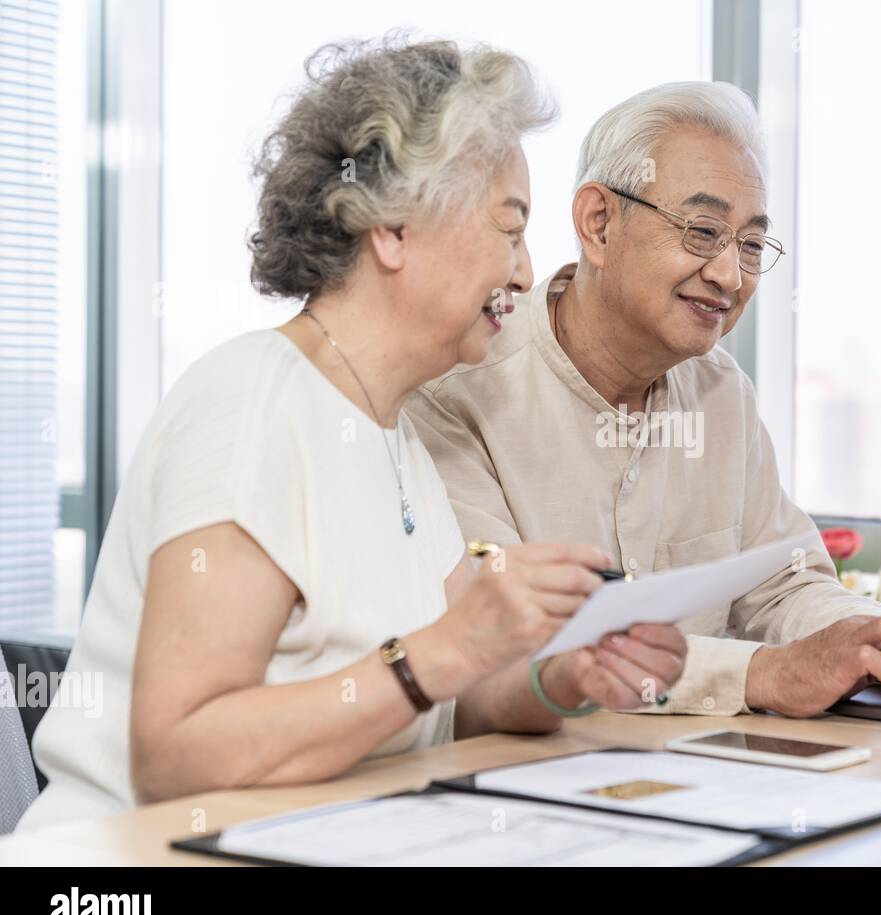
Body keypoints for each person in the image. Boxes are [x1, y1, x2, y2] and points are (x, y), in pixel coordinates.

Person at [19, 39, 686, 831]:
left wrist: (565, 674)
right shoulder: (249, 405)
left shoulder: (393, 436)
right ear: (393, 228)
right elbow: (178, 754)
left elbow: (456, 700)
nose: (523, 272)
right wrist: (438, 652)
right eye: (509, 229)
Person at [407, 81, 881, 720]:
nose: (729, 275)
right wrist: (766, 674)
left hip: (700, 774)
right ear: (598, 223)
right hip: (530, 784)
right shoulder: (457, 390)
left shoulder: (720, 392)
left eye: (750, 245)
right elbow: (517, 647)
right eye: (702, 232)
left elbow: (784, 584)